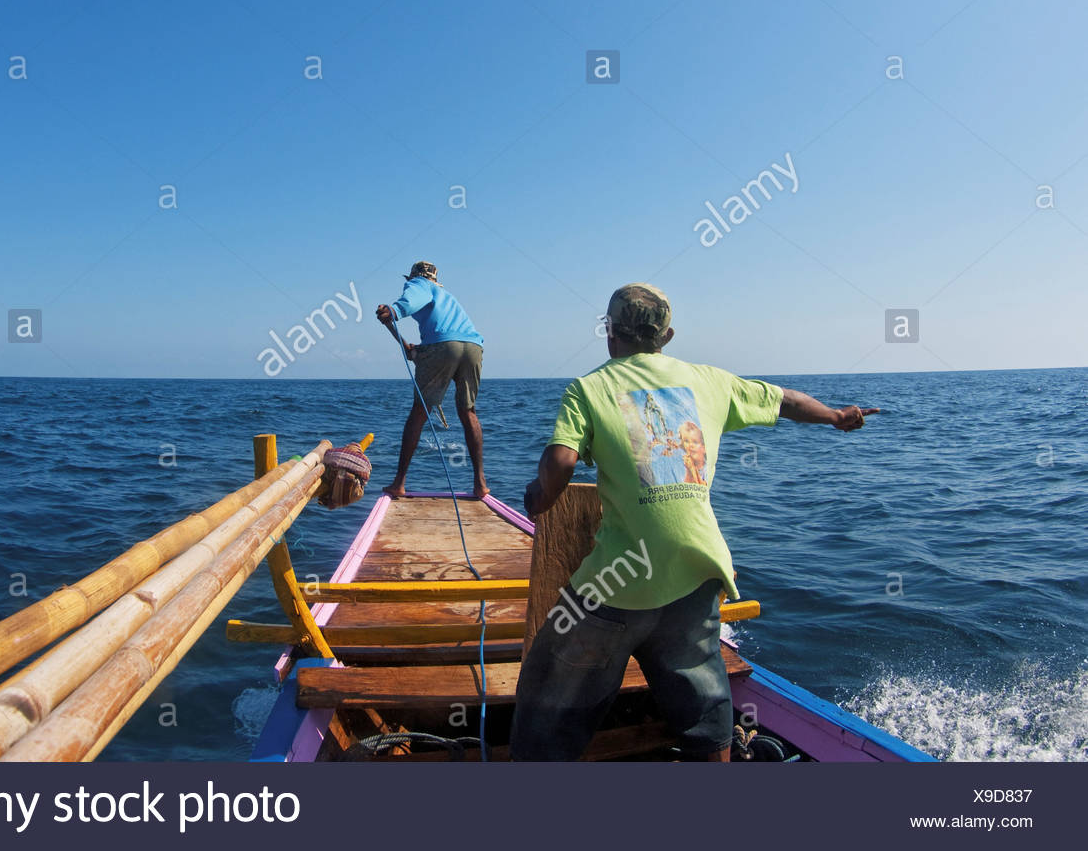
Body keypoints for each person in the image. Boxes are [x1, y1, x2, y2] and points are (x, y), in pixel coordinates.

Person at [512, 282, 878, 761]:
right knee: (704, 703)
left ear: (609, 334)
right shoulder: (710, 381)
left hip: (618, 584)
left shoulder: (590, 387)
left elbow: (561, 461)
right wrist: (835, 415)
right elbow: (786, 400)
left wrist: (540, 499)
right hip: (696, 571)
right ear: (667, 336)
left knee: (550, 671)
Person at [375, 261, 489, 499]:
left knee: (419, 412)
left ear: (413, 278)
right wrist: (413, 349)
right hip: (473, 346)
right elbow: (445, 337)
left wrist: (394, 310)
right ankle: (480, 484)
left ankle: (399, 483)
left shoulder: (419, 284)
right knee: (468, 412)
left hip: (444, 346)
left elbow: (412, 299)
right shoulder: (446, 295)